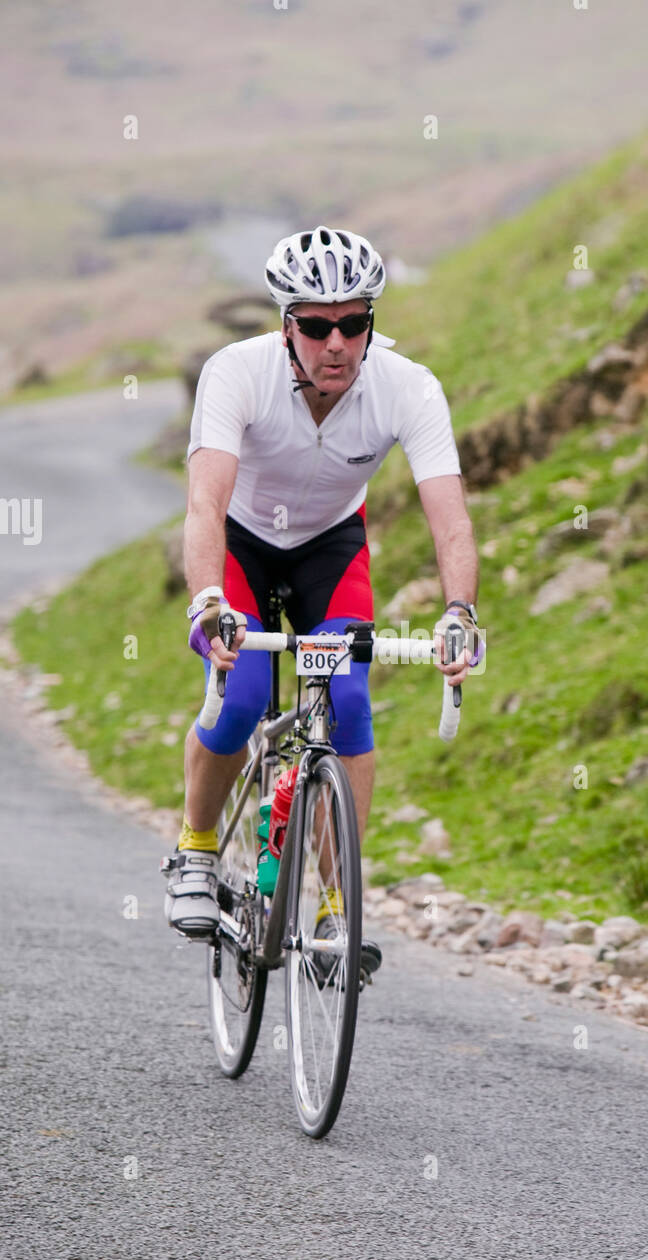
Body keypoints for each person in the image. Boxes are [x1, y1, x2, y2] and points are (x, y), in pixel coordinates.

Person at [163, 225, 484, 970]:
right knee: (240, 699)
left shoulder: (409, 387)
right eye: (315, 325)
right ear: (285, 327)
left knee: (349, 702)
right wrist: (209, 601)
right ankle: (199, 849)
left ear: (372, 322)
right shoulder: (235, 373)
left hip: (328, 550)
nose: (336, 342)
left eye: (354, 322)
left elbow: (452, 518)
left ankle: (339, 911)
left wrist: (459, 613)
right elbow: (205, 506)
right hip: (240, 545)